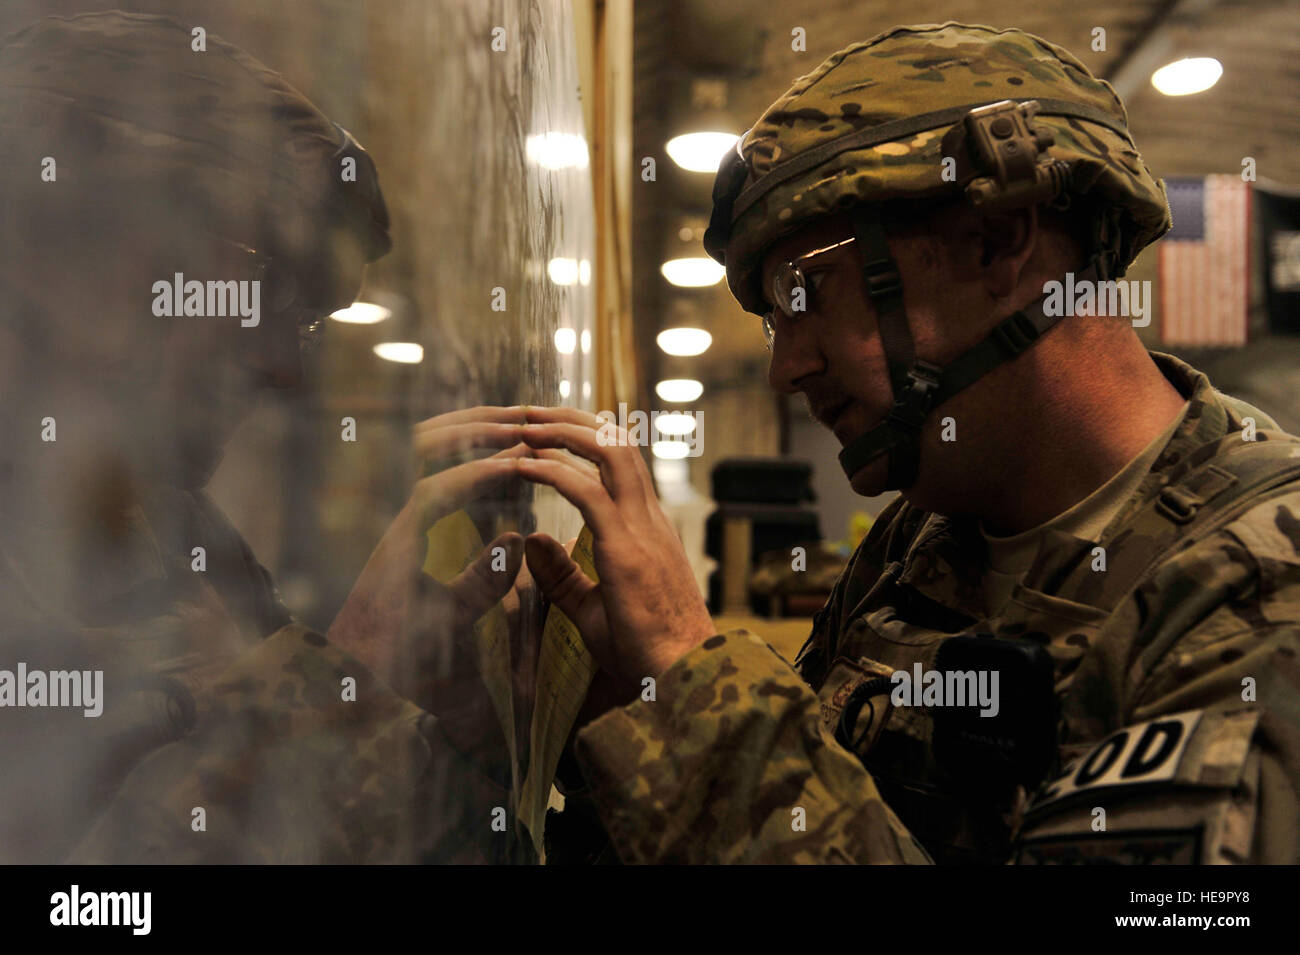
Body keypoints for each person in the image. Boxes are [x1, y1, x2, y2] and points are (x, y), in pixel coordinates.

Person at [492, 22, 1300, 863]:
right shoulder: (927, 533)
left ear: (997, 240)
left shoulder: (1259, 585)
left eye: (805, 292)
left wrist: (697, 682)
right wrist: (644, 707)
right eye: (773, 321)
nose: (788, 368)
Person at [0, 11, 534, 864]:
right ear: (57, 235)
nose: (286, 368)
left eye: (308, 322)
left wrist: (418, 708)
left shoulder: (180, 537)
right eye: (258, 281)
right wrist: (337, 692)